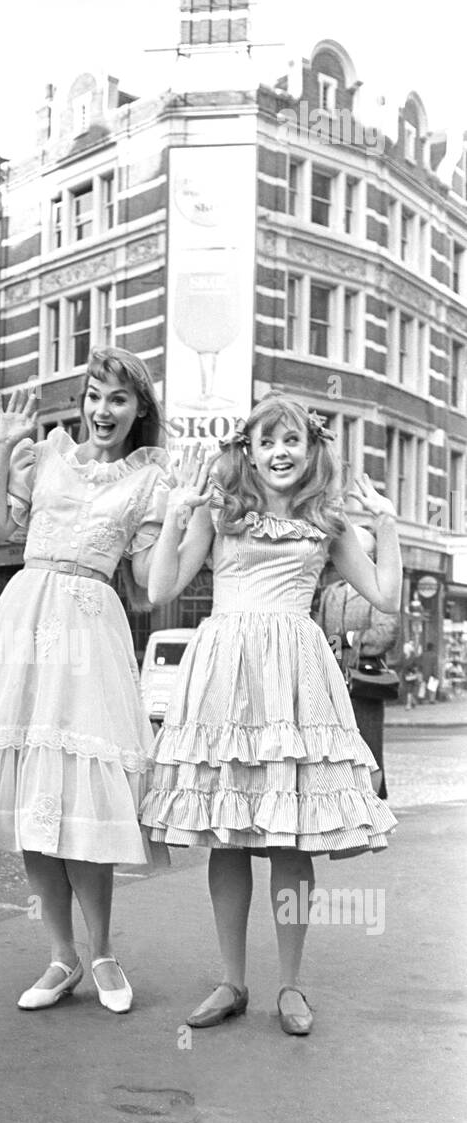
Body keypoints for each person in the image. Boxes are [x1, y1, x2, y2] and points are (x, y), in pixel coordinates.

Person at [141, 394, 402, 1036]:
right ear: (248, 453)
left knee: (289, 836)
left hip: (296, 682)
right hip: (225, 679)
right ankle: (232, 981)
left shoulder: (328, 523)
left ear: (311, 450)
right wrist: (176, 517)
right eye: (267, 442)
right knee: (228, 836)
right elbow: (159, 590)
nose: (280, 452)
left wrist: (388, 526)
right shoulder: (222, 511)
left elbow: (386, 596)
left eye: (292, 441)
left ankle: (290, 985)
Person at [0, 347, 170, 1014]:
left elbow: (154, 589)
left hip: (92, 624)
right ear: (82, 402)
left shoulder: (150, 480)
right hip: (26, 622)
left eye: (119, 400)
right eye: (95, 396)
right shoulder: (45, 454)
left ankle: (101, 953)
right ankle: (59, 957)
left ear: (139, 411)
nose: (104, 410)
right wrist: (2, 446)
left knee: (84, 800)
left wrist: (186, 516)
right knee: (33, 795)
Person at [316, 527, 400, 798]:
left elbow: (385, 635)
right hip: (331, 679)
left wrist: (349, 637)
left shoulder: (378, 593)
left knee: (368, 742)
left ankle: (371, 800)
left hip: (364, 681)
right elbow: (320, 633)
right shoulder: (331, 592)